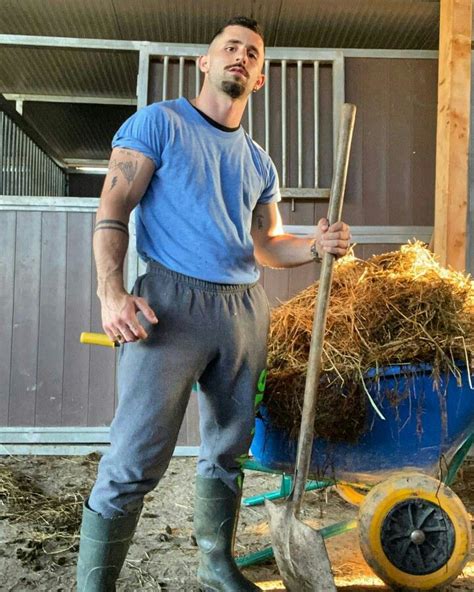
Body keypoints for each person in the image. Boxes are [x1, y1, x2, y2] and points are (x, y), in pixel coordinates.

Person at [76, 16, 351, 592]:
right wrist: (110, 292)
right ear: (204, 62)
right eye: (230, 47)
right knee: (135, 460)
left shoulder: (258, 161)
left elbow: (268, 244)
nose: (241, 56)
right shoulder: (159, 123)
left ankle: (216, 565)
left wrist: (316, 245)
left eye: (252, 53)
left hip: (242, 313)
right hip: (169, 306)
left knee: (228, 449)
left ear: (261, 77)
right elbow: (112, 209)